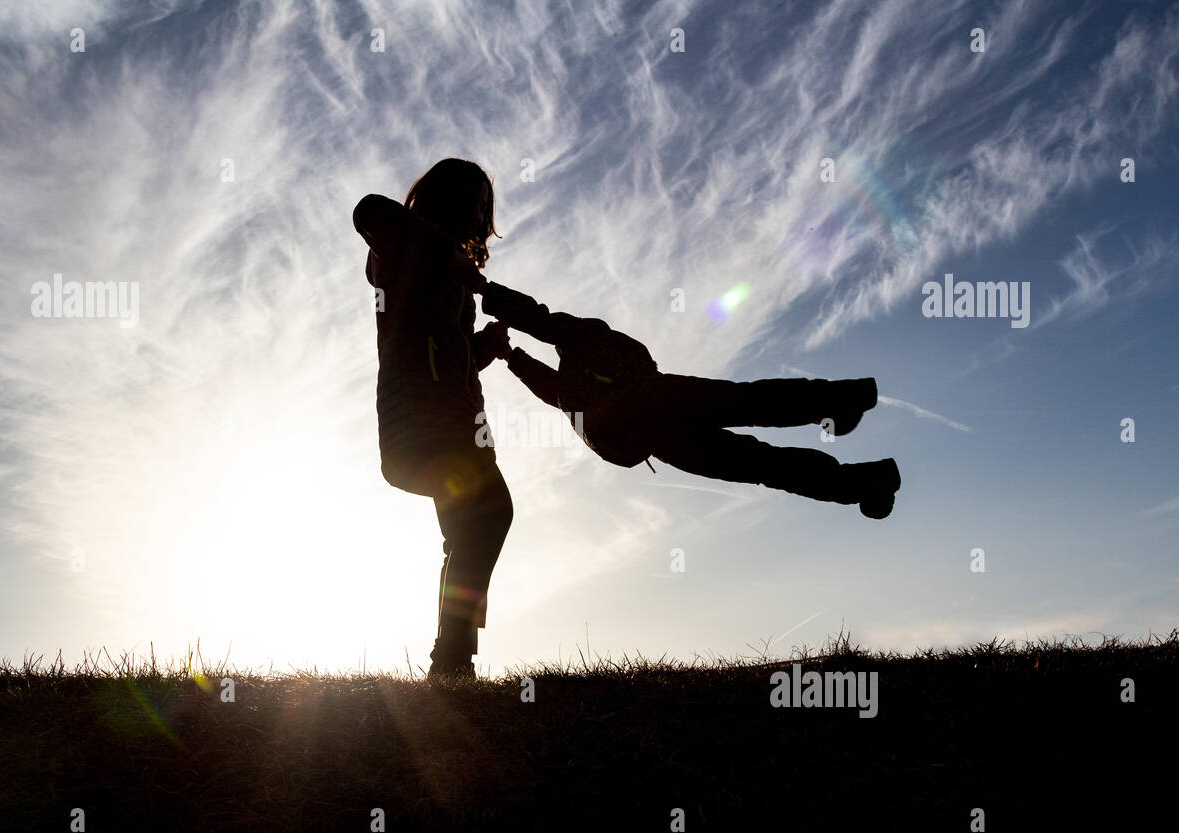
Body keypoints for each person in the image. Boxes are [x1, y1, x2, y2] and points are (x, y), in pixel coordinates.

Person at [449, 273, 901, 517]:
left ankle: (843, 402)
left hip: (654, 400)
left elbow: (539, 320)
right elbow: (556, 393)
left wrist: (488, 291)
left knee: (752, 413)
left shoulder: (581, 336)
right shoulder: (573, 382)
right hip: (654, 434)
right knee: (759, 455)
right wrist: (511, 356)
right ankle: (863, 481)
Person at [352, 158, 513, 679]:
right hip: (422, 419)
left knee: (470, 530)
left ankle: (452, 663)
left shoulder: (447, 274)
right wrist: (446, 253)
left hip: (457, 418)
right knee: (490, 514)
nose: (479, 214)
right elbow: (367, 209)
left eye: (486, 207)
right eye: (473, 201)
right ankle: (450, 658)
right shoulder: (402, 246)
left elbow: (449, 350)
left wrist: (482, 348)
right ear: (443, 199)